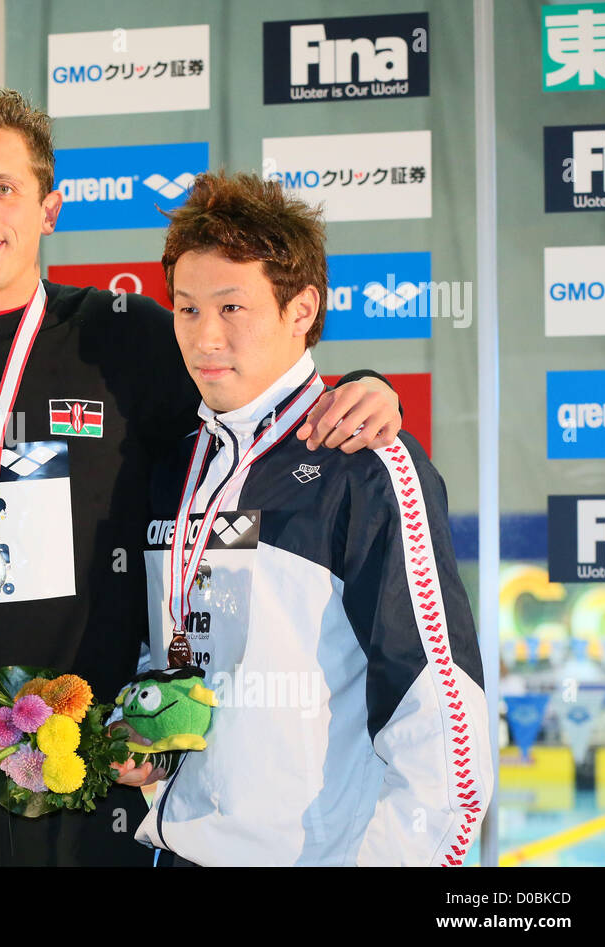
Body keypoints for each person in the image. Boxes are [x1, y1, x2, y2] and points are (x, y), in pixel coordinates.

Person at [0, 88, 404, 865]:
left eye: (4, 188)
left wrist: (365, 384)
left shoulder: (125, 337)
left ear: (51, 208)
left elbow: (252, 393)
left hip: (89, 773)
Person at [130, 171, 490, 866]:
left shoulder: (364, 464)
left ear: (301, 309)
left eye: (232, 308)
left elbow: (442, 718)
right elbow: (183, 649)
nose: (205, 337)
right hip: (183, 849)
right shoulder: (177, 466)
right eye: (186, 309)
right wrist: (146, 724)